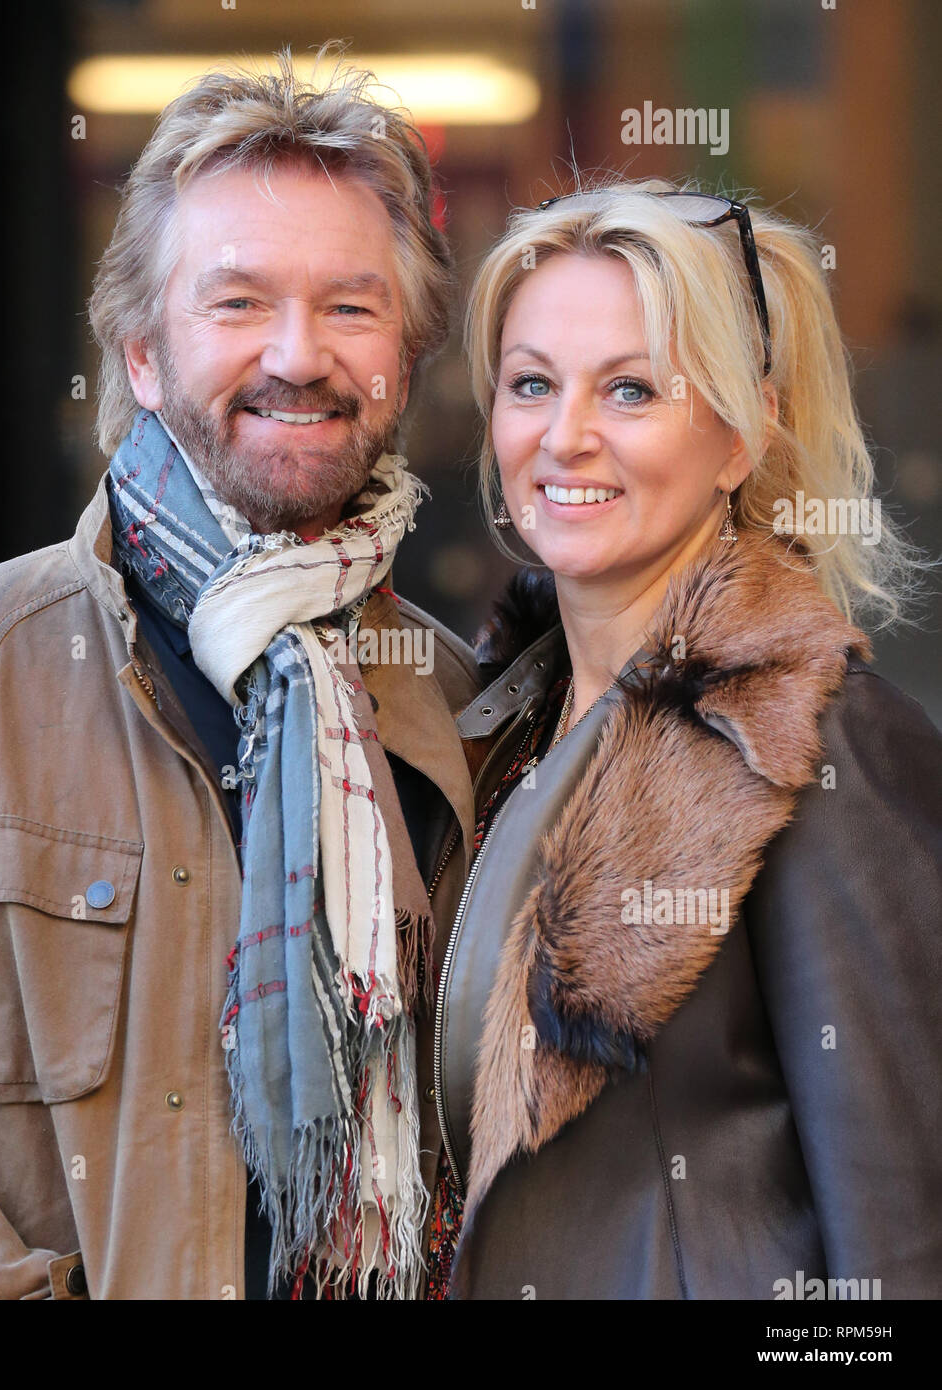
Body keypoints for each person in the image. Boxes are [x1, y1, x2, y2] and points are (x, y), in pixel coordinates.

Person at [0, 47, 480, 1301]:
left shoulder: (452, 708)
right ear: (136, 351)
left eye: (350, 306)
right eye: (236, 304)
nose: (299, 354)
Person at [426, 177, 942, 1299]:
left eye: (629, 389)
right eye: (529, 384)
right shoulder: (495, 731)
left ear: (741, 435)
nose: (565, 436)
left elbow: (902, 1239)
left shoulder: (809, 733)